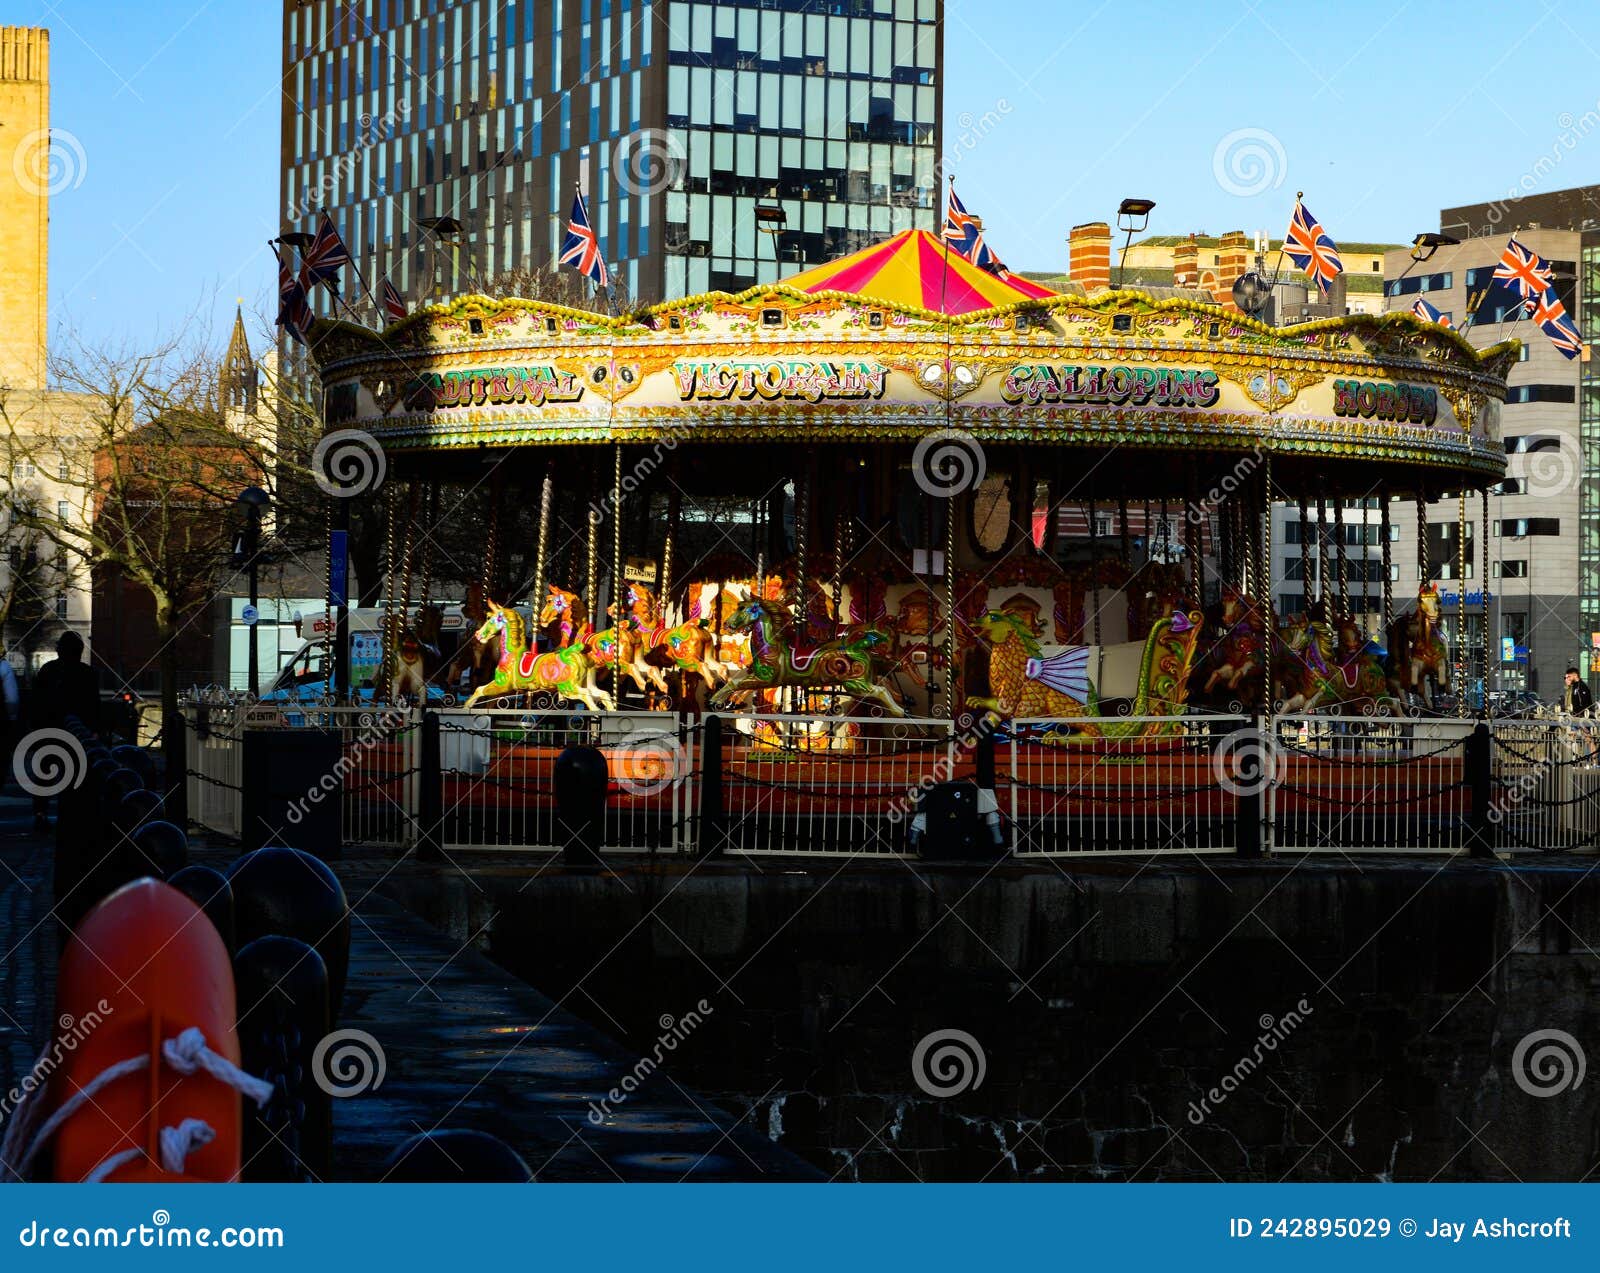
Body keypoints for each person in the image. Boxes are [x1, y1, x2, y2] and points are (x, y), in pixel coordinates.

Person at [26, 632, 101, 828]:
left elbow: (36, 702)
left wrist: (35, 728)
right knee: (76, 773)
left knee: (44, 773)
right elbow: (94, 705)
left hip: (49, 729)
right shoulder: (88, 673)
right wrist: (94, 729)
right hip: (77, 732)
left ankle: (41, 812)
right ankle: (72, 814)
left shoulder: (47, 670)